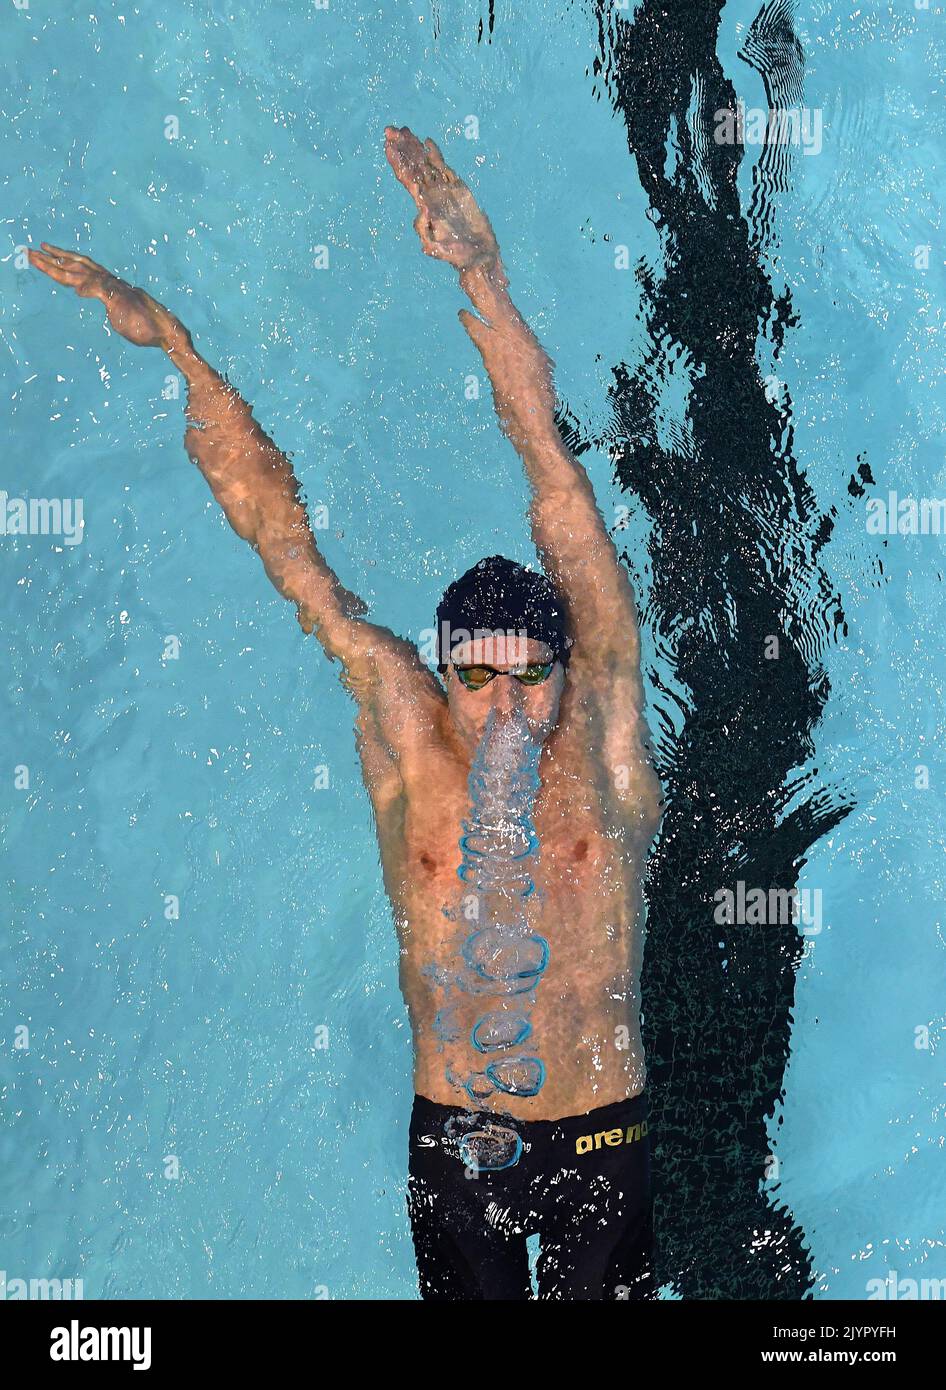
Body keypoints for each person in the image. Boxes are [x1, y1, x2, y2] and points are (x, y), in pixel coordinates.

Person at [29, 124, 663, 1300]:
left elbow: (557, 485)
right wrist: (178, 349)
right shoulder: (402, 727)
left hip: (601, 1142)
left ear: (574, 672)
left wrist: (482, 275)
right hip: (451, 1146)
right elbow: (284, 543)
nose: (506, 704)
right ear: (442, 674)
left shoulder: (607, 737)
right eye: (475, 677)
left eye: (532, 674)